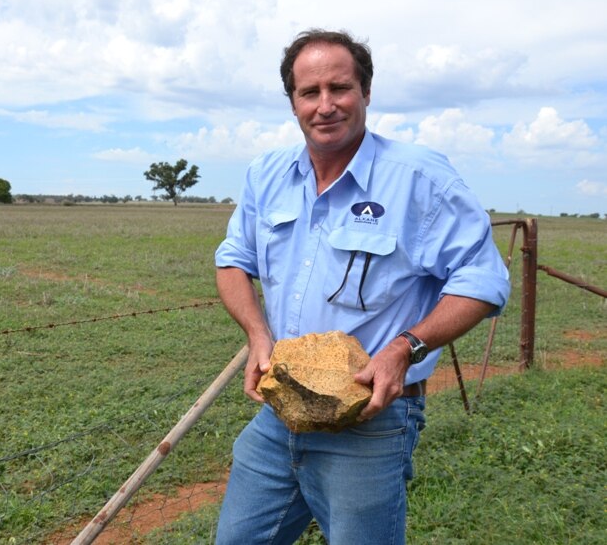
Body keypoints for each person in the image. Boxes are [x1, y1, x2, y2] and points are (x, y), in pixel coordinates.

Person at [213, 29, 511, 544]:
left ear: (366, 93)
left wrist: (405, 347)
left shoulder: (419, 177)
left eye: (340, 88)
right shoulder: (267, 174)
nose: (325, 105)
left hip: (369, 421)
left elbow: (483, 281)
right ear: (293, 102)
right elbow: (233, 261)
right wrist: (257, 337)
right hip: (279, 412)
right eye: (310, 92)